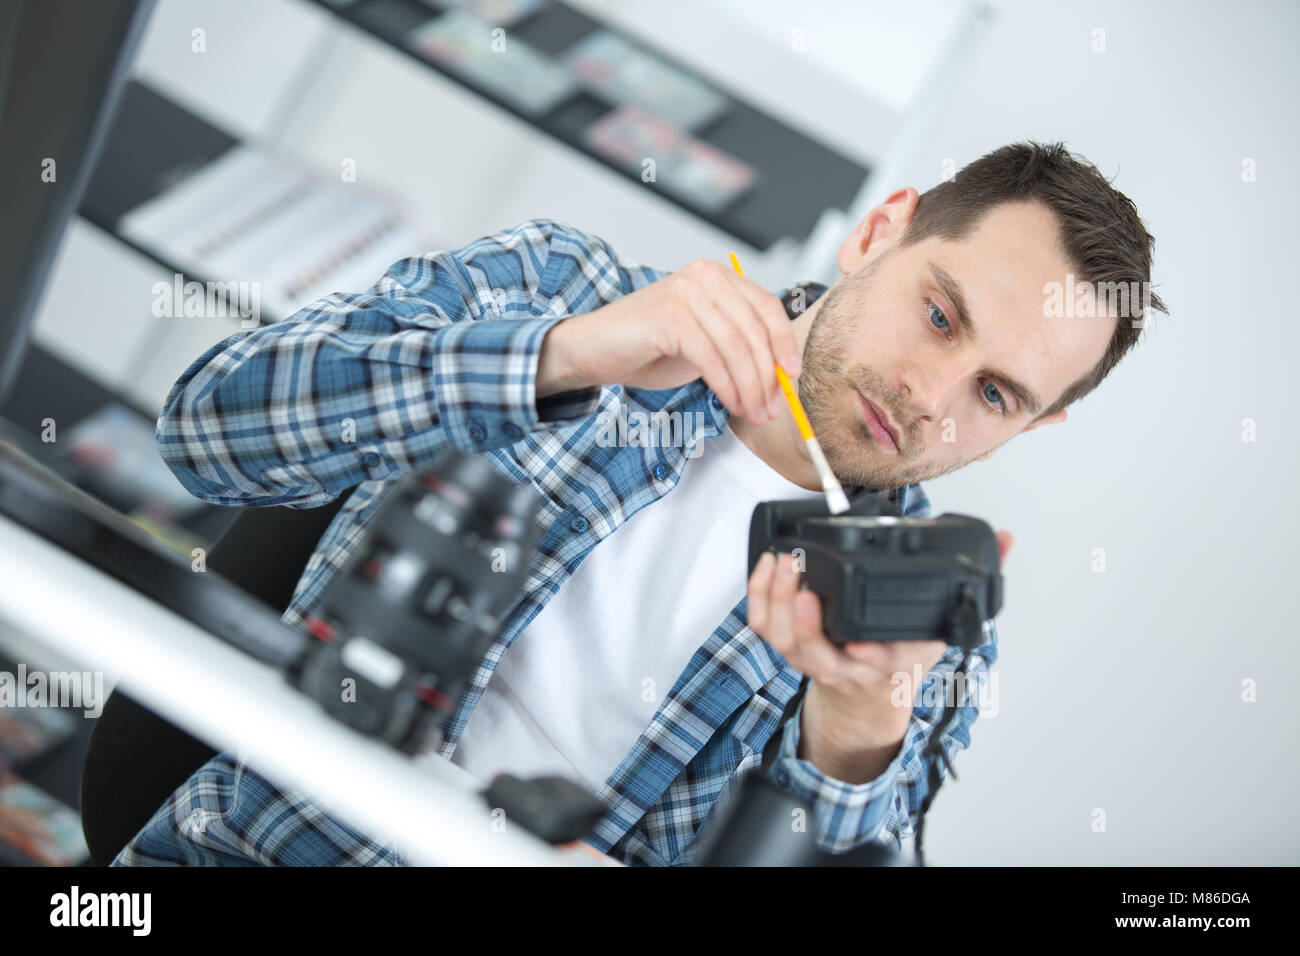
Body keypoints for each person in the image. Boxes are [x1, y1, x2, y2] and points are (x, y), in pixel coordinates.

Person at [114, 141, 1164, 866]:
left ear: (1032, 428)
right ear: (880, 232)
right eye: (938, 314)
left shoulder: (926, 623)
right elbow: (206, 433)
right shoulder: (565, 285)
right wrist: (560, 355)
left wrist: (853, 725)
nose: (928, 397)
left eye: (994, 394)